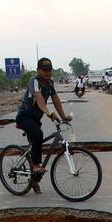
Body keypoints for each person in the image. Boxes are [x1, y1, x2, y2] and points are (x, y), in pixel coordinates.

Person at [15, 57, 71, 189]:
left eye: (49, 70)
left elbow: (56, 99)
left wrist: (63, 116)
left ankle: (33, 180)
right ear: (38, 70)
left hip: (35, 119)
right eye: (44, 70)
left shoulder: (50, 83)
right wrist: (48, 113)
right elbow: (39, 98)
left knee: (36, 142)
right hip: (24, 116)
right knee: (38, 134)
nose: (47, 72)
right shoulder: (34, 81)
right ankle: (35, 166)